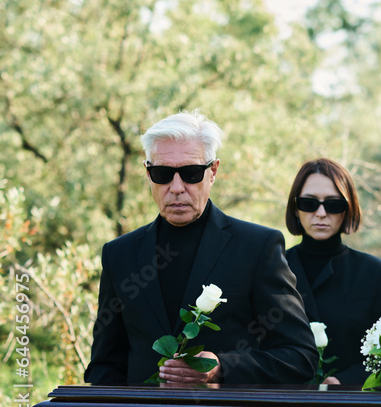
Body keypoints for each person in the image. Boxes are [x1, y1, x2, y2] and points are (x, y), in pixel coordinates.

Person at [85, 111, 317, 385]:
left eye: (191, 173)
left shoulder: (258, 247)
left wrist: (221, 368)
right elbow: (104, 367)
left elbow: (300, 357)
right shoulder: (118, 255)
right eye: (162, 174)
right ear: (148, 173)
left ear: (213, 171)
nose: (177, 187)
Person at [284, 158, 381, 385]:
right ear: (295, 207)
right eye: (309, 203)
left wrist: (345, 382)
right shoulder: (268, 269)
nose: (320, 213)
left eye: (333, 204)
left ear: (348, 208)